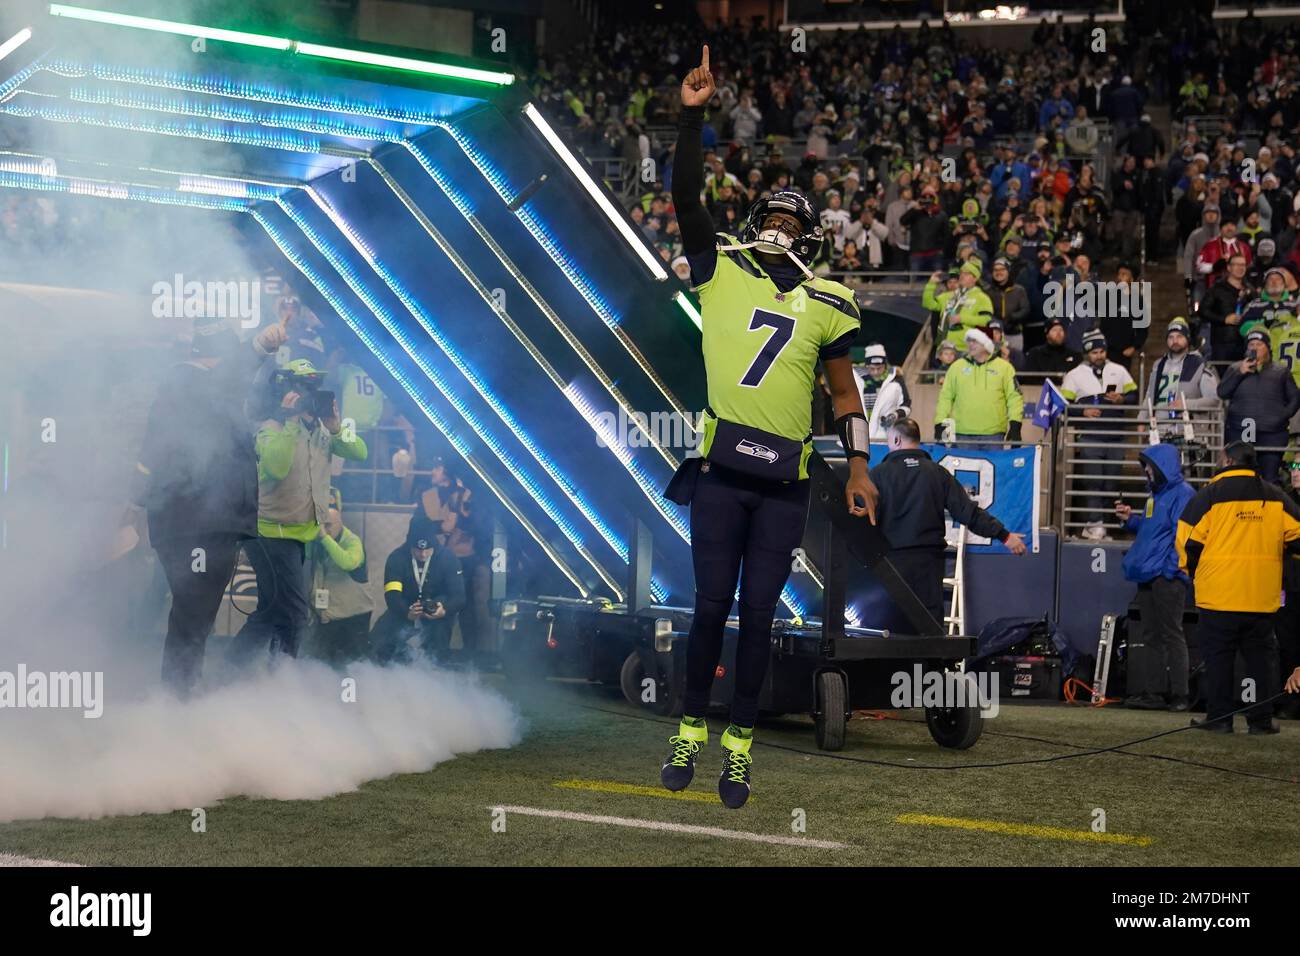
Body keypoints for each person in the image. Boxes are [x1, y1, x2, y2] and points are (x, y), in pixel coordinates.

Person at [660, 47, 878, 810]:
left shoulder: (829, 300)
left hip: (784, 483)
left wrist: (858, 467)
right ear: (756, 223)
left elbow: (845, 394)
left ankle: (742, 746)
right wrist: (692, 117)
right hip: (721, 475)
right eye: (773, 216)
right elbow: (686, 196)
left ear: (810, 234)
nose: (782, 225)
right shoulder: (719, 265)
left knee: (760, 615)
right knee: (711, 603)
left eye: (794, 219)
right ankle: (691, 726)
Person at [128, 314, 285, 696]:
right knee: (193, 616)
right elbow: (228, 379)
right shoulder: (191, 385)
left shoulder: (187, 391)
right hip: (198, 523)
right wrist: (259, 347)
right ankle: (180, 698)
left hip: (196, 523)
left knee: (193, 615)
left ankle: (180, 693)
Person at [228, 359, 369, 665]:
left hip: (298, 534)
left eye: (314, 387)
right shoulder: (270, 427)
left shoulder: (322, 430)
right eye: (302, 387)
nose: (309, 394)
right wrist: (290, 422)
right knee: (294, 612)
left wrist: (337, 429)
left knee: (273, 610)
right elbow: (277, 469)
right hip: (268, 532)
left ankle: (238, 671)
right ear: (286, 390)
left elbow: (359, 452)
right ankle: (281, 678)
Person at [1178, 442, 1300, 734]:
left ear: (1228, 460)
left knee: (1219, 661)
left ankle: (1220, 719)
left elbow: (1187, 542)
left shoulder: (1208, 496)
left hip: (1218, 596)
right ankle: (1260, 720)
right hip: (1260, 597)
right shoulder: (1275, 496)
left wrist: (1194, 573)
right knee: (1261, 663)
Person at [870, 418, 1026, 624]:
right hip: (929, 563)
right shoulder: (938, 474)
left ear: (897, 439)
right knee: (929, 629)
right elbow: (968, 513)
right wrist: (1004, 536)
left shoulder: (878, 474)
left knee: (890, 623)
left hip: (891, 561)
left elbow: (864, 519)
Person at [1115, 444, 1196, 712]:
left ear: (1162, 466)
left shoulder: (1183, 494)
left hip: (1166, 576)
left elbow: (1183, 537)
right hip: (1150, 574)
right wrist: (1130, 520)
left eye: (1148, 465)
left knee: (1172, 634)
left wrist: (1169, 570)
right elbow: (1150, 530)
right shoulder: (1155, 496)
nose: (1146, 470)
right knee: (1152, 636)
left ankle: (1180, 696)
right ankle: (1155, 692)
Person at [1060, 330, 1138, 540]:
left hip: (1116, 435)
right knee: (1093, 480)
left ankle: (1093, 523)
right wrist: (1083, 411)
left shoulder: (1119, 370)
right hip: (1090, 436)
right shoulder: (1074, 374)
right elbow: (1063, 406)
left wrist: (1122, 399)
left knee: (1110, 482)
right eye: (1094, 352)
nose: (1099, 355)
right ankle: (1097, 524)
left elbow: (1134, 395)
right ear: (1086, 353)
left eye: (1102, 351)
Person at [371, 515, 466, 663]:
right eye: (417, 549)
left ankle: (437, 672)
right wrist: (406, 612)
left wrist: (444, 609)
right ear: (410, 544)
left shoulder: (448, 558)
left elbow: (459, 596)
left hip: (437, 611)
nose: (422, 554)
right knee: (378, 641)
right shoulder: (396, 558)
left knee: (437, 649)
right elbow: (392, 595)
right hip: (405, 608)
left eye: (428, 549)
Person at [1217, 327, 1300, 483]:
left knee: (1269, 479)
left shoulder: (1281, 371)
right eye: (1251, 344)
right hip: (1240, 435)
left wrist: (1282, 416)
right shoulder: (1235, 368)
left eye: (1259, 344)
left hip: (1272, 436)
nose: (1254, 348)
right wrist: (1240, 372)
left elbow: (1295, 398)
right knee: (1240, 479)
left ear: (1268, 348)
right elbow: (1222, 392)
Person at [304, 505, 374, 666]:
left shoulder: (353, 541)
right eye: (321, 525)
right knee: (321, 663)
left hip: (353, 616)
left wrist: (324, 539)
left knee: (355, 663)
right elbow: (303, 553)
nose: (325, 530)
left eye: (329, 525)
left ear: (340, 523)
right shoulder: (316, 543)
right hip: (327, 615)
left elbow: (348, 563)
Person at [933, 326, 1024, 447]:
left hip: (994, 435)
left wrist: (1015, 425)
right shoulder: (956, 367)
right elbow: (945, 397)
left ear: (986, 343)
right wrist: (940, 424)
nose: (970, 344)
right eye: (969, 340)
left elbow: (1015, 398)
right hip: (961, 434)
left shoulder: (1005, 368)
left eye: (975, 340)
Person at [1146, 317, 1220, 441]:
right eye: (1171, 337)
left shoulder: (1199, 364)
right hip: (1160, 431)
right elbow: (1150, 395)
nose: (1175, 341)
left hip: (1189, 433)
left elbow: (1214, 400)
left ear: (1188, 338)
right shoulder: (1158, 364)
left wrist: (1186, 404)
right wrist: (1141, 419)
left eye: (1179, 336)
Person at [923, 259, 993, 352]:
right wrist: (931, 284)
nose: (962, 276)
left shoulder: (982, 298)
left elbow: (986, 320)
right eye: (961, 273)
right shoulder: (948, 295)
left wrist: (962, 318)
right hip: (946, 349)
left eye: (967, 274)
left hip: (967, 349)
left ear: (975, 278)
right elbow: (928, 304)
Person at [853, 343, 910, 440]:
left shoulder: (895, 378)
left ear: (885, 365)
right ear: (866, 365)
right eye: (871, 368)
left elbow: (906, 405)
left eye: (879, 368)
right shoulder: (855, 378)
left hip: (886, 436)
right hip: (859, 436)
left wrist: (895, 415)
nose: (875, 372)